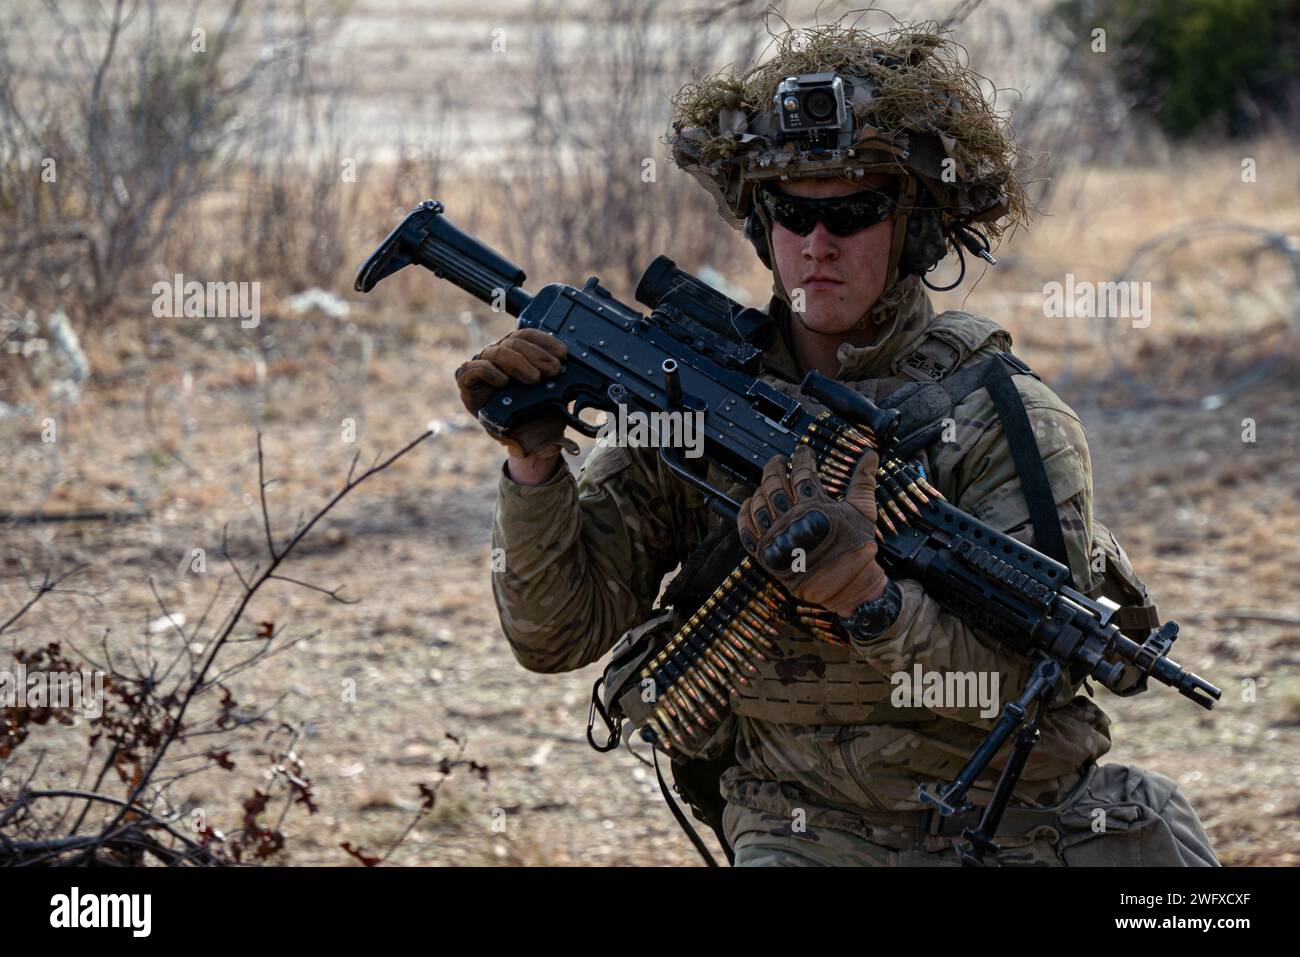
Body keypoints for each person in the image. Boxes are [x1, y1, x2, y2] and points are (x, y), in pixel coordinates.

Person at [454, 22, 1218, 866]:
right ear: (760, 222)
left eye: (853, 212)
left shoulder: (1004, 415)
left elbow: (1017, 685)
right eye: (792, 211)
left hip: (1029, 821)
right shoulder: (688, 395)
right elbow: (554, 638)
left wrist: (871, 601)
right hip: (806, 827)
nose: (817, 243)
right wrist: (532, 465)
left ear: (915, 230)